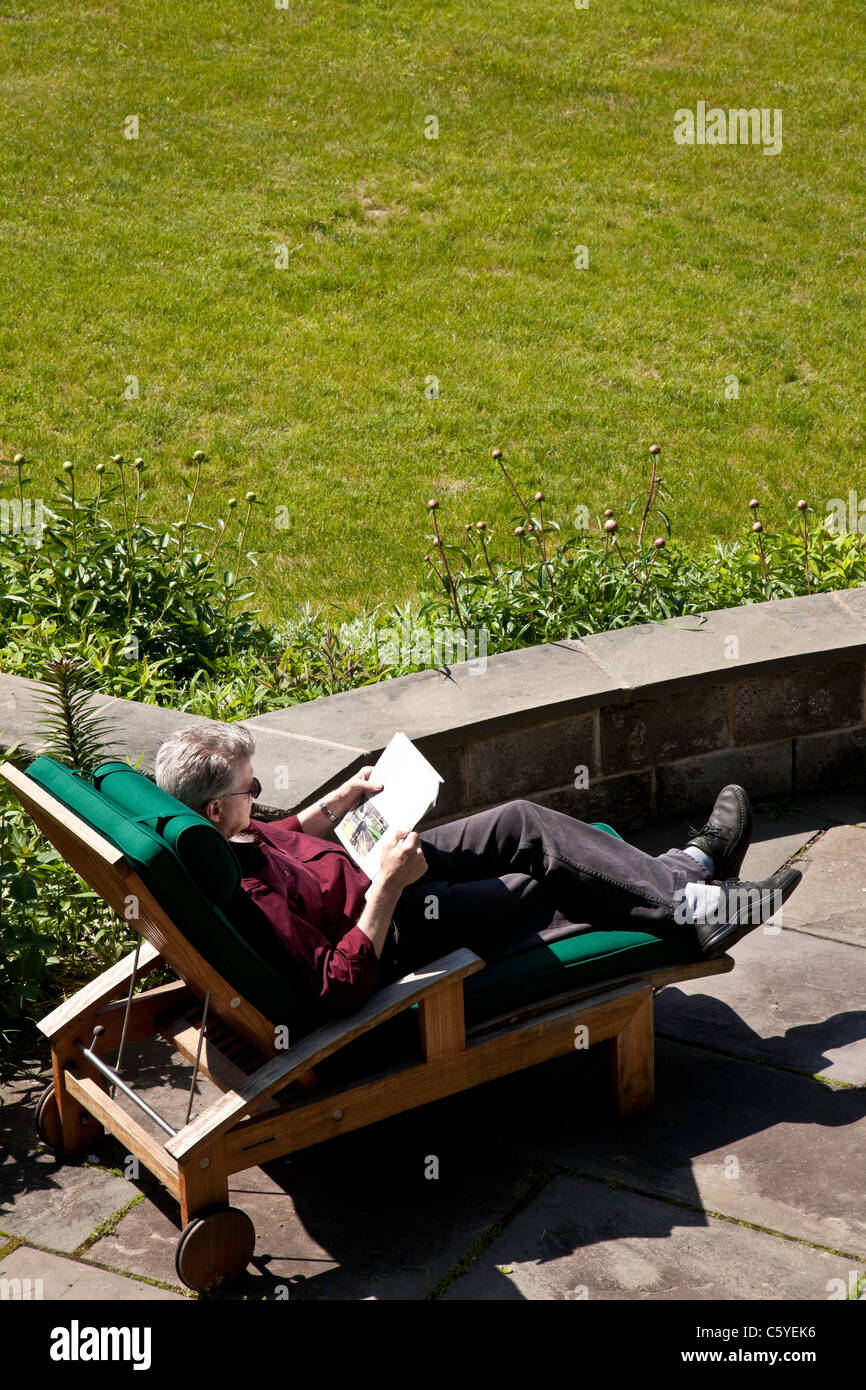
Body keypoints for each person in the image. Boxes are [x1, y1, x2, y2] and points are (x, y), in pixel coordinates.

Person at [155, 722, 801, 1020]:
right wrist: (384, 885)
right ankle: (694, 881)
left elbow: (290, 832)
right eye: (251, 787)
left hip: (390, 872)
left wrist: (345, 798)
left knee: (523, 822)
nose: (260, 793)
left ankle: (689, 876)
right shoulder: (247, 894)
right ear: (215, 808)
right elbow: (336, 986)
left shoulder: (226, 838)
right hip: (401, 925)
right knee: (548, 882)